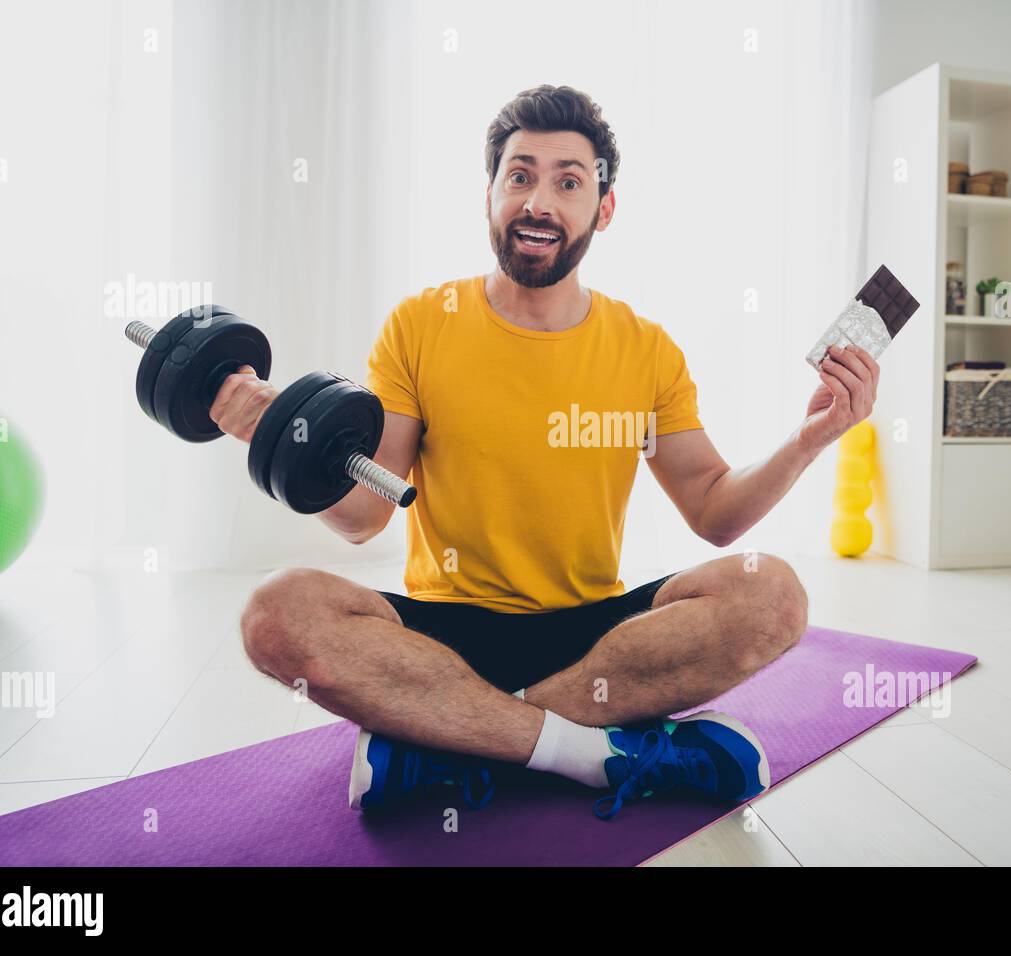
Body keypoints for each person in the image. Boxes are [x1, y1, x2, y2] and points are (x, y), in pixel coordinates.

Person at [215, 85, 879, 820]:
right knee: (274, 613)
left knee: (774, 594)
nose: (540, 201)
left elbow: (715, 512)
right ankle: (589, 754)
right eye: (520, 175)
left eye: (569, 181)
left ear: (604, 208)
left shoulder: (646, 348)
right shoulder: (419, 325)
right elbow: (365, 514)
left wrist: (807, 439)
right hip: (445, 633)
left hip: (593, 638)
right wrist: (274, 438)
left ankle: (450, 734)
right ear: (491, 195)